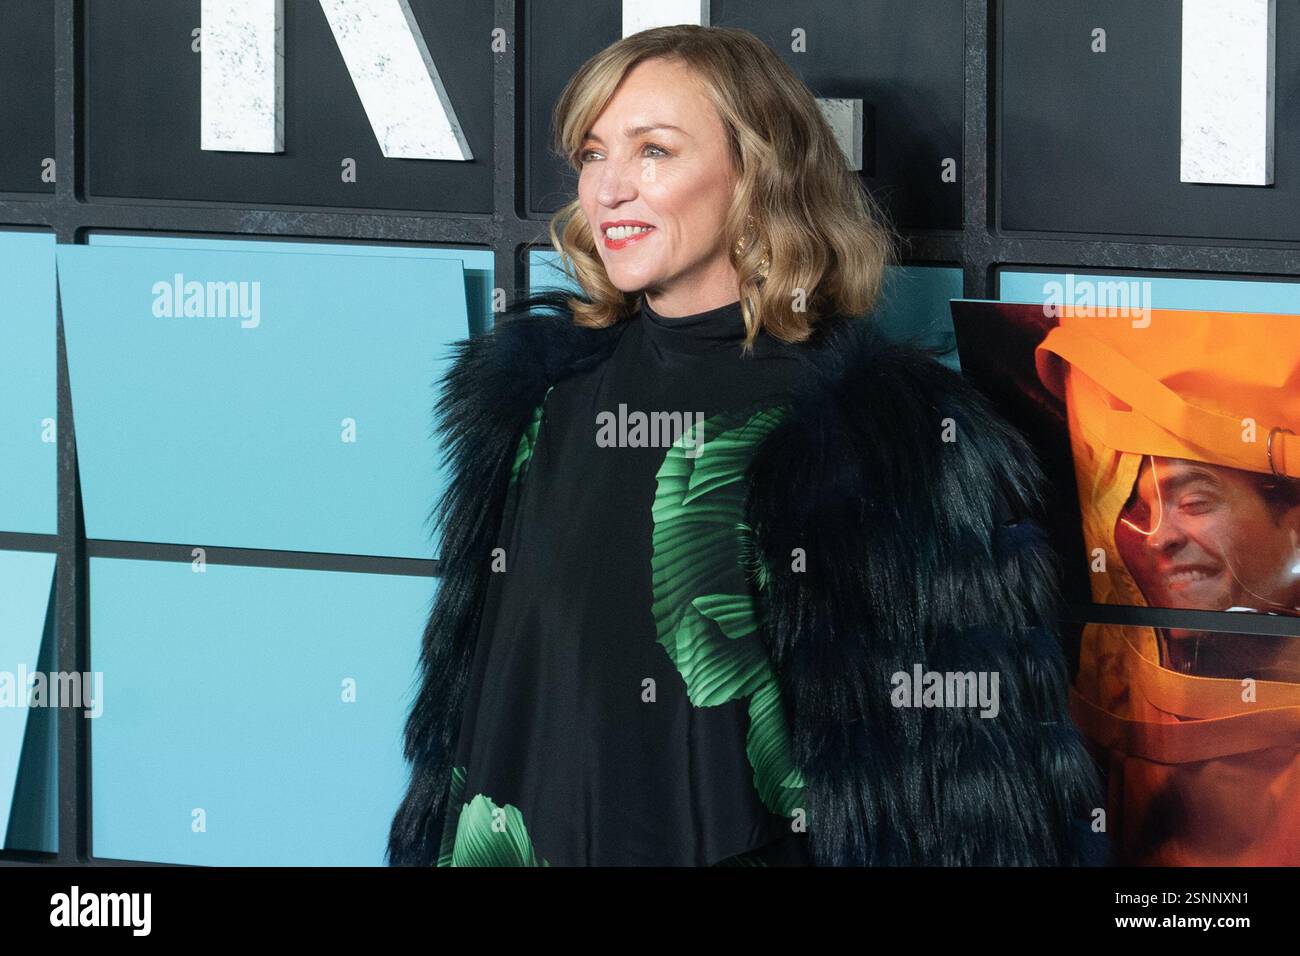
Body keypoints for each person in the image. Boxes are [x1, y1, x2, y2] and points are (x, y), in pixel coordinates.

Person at [388, 24, 1103, 867]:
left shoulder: (882, 436)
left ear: (759, 174)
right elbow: (489, 725)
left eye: (653, 151)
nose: (609, 188)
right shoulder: (538, 407)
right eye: (591, 154)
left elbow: (956, 792)